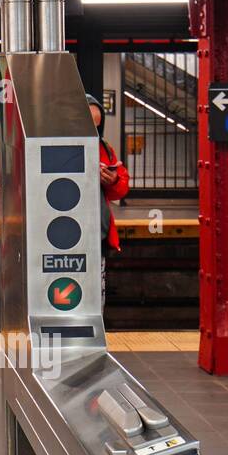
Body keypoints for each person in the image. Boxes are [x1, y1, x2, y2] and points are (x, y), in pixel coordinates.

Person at [86, 93, 129, 307]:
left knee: (96, 290)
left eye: (96, 127)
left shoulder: (103, 148)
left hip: (97, 232)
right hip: (69, 229)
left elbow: (120, 190)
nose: (93, 132)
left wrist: (112, 180)